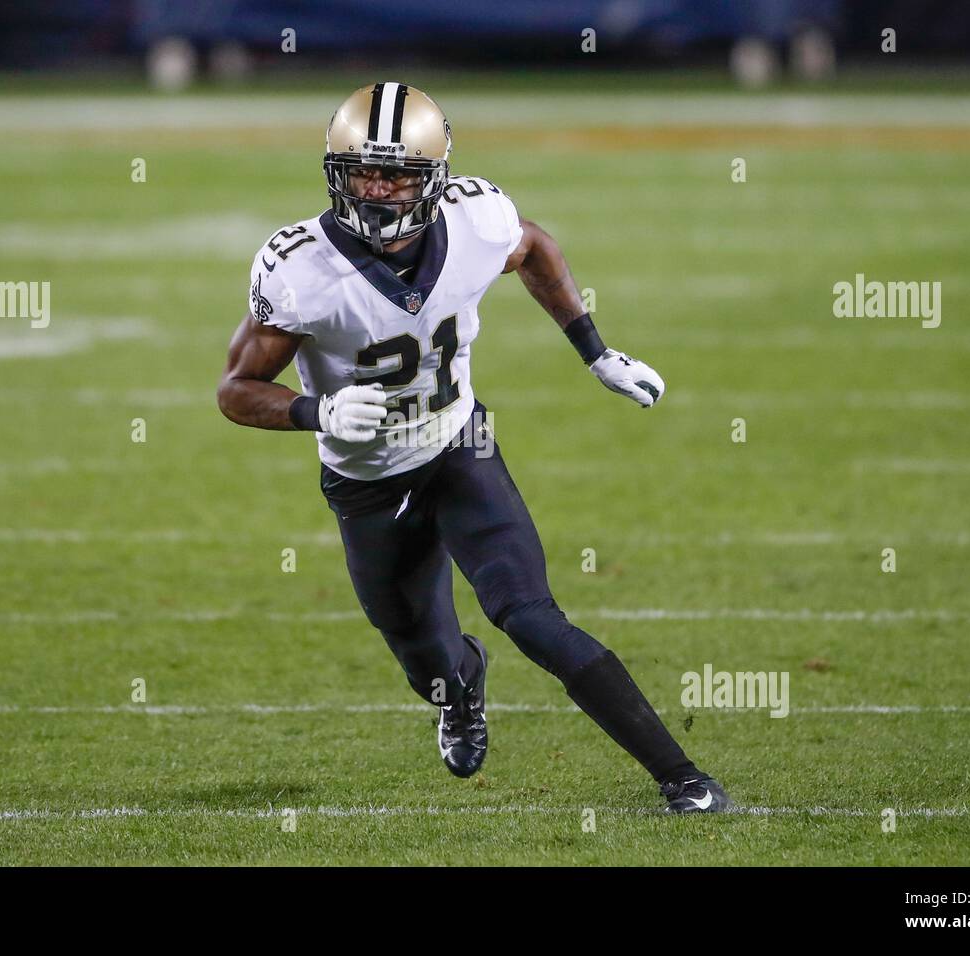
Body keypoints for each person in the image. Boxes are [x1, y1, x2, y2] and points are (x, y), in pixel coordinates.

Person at [217, 82, 730, 813]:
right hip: (366, 486)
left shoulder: (477, 220)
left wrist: (596, 351)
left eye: (394, 173)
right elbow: (235, 389)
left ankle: (683, 777)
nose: (375, 188)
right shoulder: (300, 267)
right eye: (360, 170)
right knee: (421, 655)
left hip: (461, 443)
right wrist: (316, 410)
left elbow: (534, 247)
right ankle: (460, 690)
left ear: (435, 179)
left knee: (529, 614)